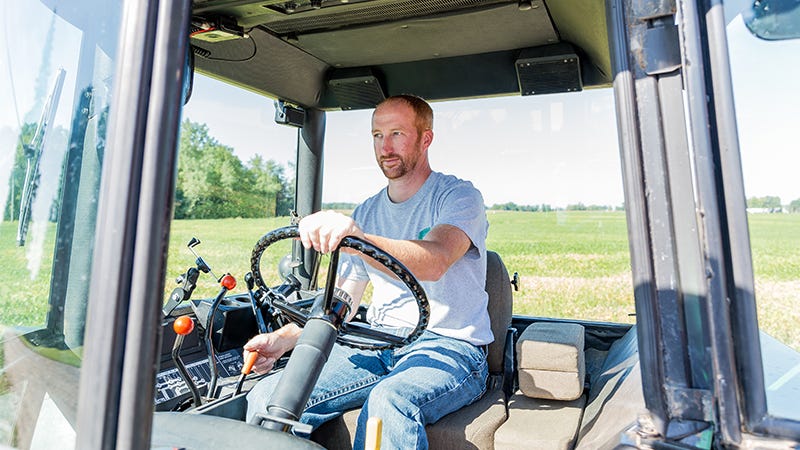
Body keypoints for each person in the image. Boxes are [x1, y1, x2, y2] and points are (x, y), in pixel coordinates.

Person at [244, 94, 493, 450]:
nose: (385, 147)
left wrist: (358, 240)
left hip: (450, 346)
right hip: (378, 342)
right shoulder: (368, 210)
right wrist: (285, 338)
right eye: (377, 135)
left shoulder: (458, 196)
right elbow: (342, 299)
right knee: (271, 396)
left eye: (397, 134)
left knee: (388, 403)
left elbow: (436, 260)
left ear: (426, 139)